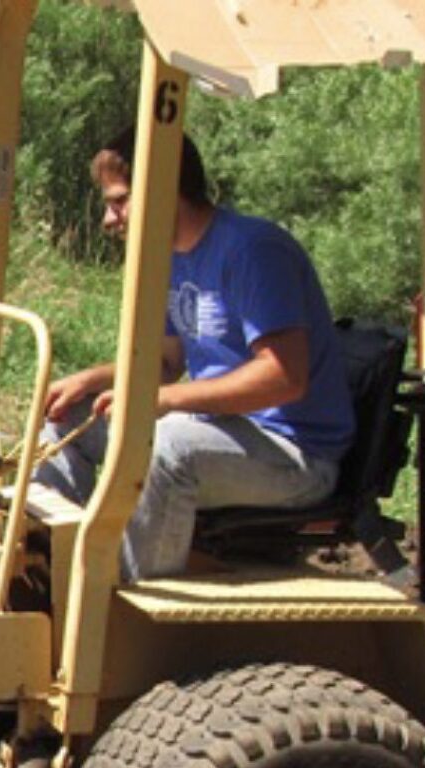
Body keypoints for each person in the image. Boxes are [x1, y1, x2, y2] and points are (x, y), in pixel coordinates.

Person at [35, 127, 353, 581]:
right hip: (220, 429)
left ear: (163, 189)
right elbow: (165, 363)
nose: (110, 218)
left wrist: (163, 402)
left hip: (293, 454)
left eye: (119, 200)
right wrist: (94, 379)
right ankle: (53, 568)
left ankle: (120, 603)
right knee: (69, 416)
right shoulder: (171, 256)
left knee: (166, 448)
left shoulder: (254, 251)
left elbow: (285, 377)